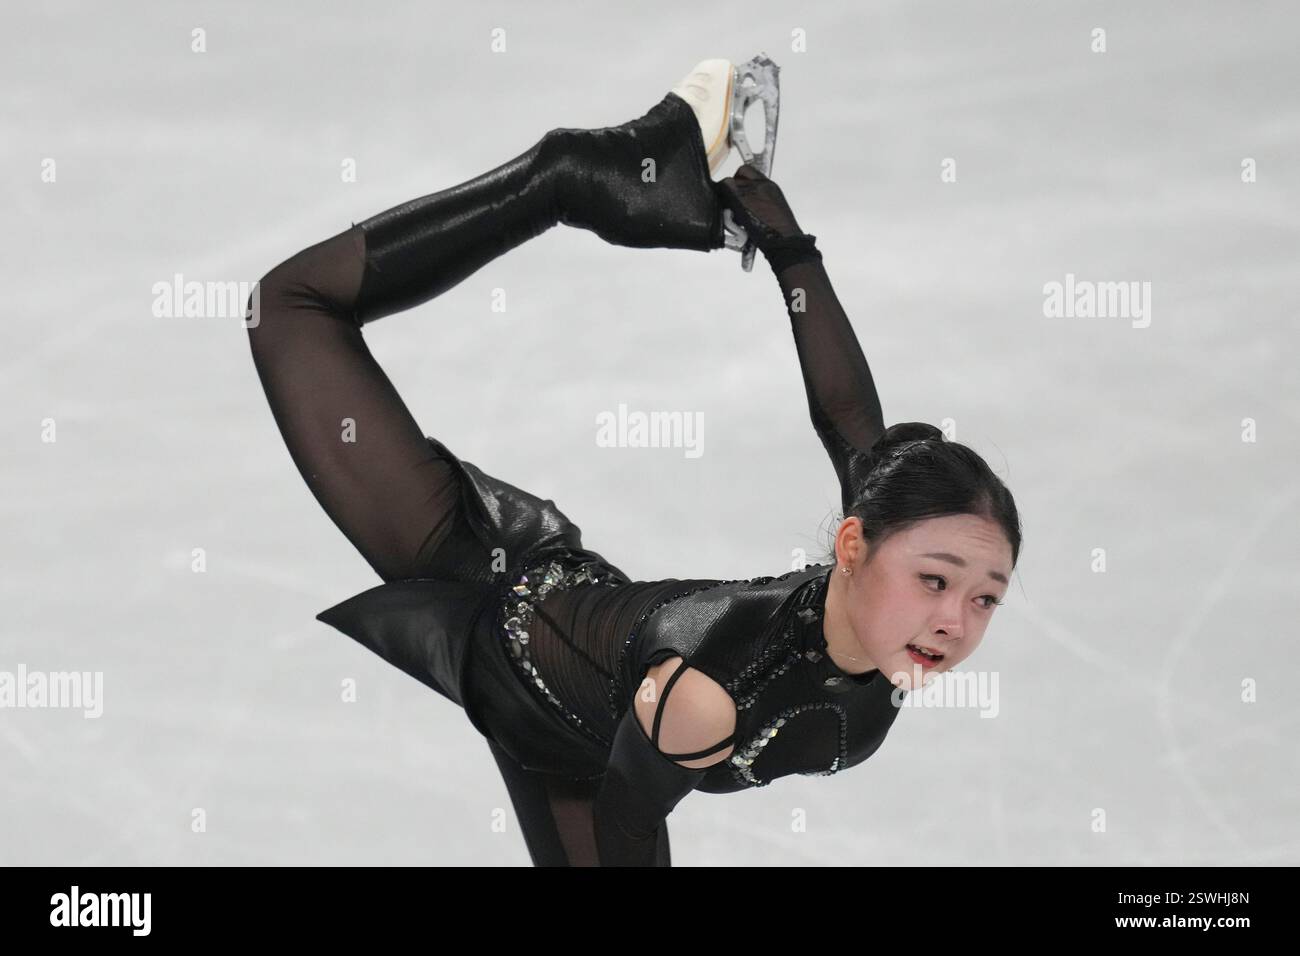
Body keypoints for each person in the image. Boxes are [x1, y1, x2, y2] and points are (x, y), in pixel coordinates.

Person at [245, 59, 1023, 867]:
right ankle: (566, 179)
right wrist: (783, 239)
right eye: (936, 581)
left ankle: (616, 167)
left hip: (575, 723)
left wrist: (790, 250)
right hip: (487, 587)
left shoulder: (880, 601)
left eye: (985, 599)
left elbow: (852, 420)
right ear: (852, 546)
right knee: (290, 308)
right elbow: (625, 825)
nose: (954, 622)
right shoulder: (708, 698)